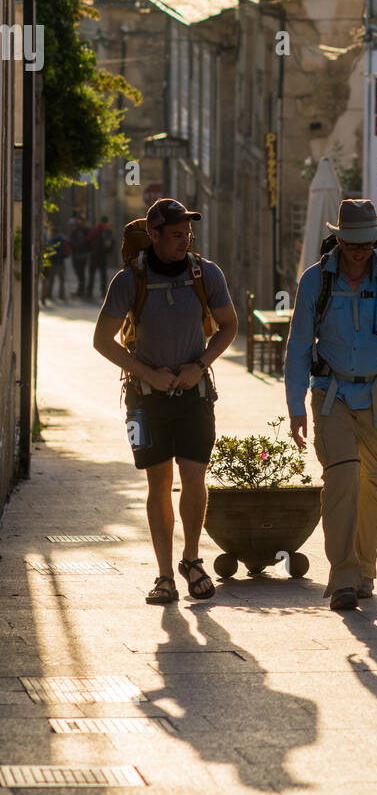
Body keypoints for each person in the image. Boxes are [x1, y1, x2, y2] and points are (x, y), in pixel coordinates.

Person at [285, 199, 377, 611]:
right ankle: (344, 577)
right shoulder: (316, 280)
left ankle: (365, 568)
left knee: (374, 484)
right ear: (340, 240)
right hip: (331, 395)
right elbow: (298, 346)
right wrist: (296, 406)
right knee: (343, 477)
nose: (361, 251)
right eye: (353, 243)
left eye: (368, 243)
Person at [93, 198, 238, 605]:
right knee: (158, 483)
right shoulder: (129, 281)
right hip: (144, 399)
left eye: (188, 234)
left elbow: (229, 326)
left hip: (195, 394)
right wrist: (147, 373)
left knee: (194, 478)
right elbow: (103, 340)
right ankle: (163, 575)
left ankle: (191, 561)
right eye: (176, 235)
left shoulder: (205, 273)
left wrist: (200, 364)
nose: (184, 240)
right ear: (153, 236)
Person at [86, 214, 114, 300]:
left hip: (95, 254)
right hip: (104, 255)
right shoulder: (109, 229)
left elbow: (88, 239)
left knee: (92, 273)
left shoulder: (97, 229)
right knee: (103, 274)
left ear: (101, 220)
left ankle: (90, 292)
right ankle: (104, 292)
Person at [43, 225, 68, 303]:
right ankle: (50, 294)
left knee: (61, 280)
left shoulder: (59, 241)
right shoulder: (52, 240)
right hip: (54, 263)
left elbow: (60, 252)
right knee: (52, 279)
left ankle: (61, 295)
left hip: (58, 263)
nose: (52, 234)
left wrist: (53, 255)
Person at [69, 213, 90, 298]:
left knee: (80, 274)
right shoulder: (79, 230)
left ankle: (81, 292)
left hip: (80, 255)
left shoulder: (80, 231)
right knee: (80, 274)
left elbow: (79, 243)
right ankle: (80, 291)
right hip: (79, 255)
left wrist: (71, 242)